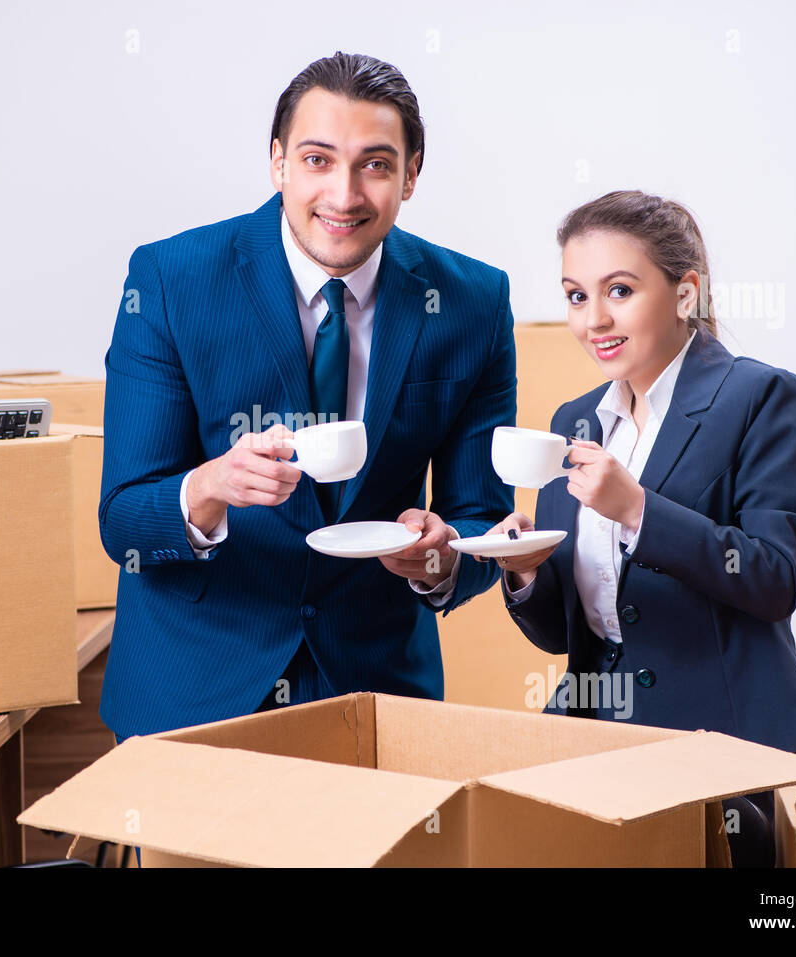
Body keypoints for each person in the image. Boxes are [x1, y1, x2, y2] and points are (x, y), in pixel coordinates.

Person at [98, 52, 517, 743]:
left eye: (376, 165)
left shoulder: (471, 302)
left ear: (411, 175)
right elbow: (123, 522)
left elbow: (481, 520)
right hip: (194, 693)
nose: (345, 194)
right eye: (318, 160)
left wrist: (441, 559)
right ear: (278, 164)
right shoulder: (171, 280)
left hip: (377, 694)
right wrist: (209, 486)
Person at [483, 189, 796, 866]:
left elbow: (774, 577)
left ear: (684, 293)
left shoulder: (762, 398)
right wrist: (524, 567)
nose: (594, 319)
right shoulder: (573, 420)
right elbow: (570, 633)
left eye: (619, 289)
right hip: (592, 742)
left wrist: (637, 509)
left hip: (721, 750)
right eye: (576, 295)